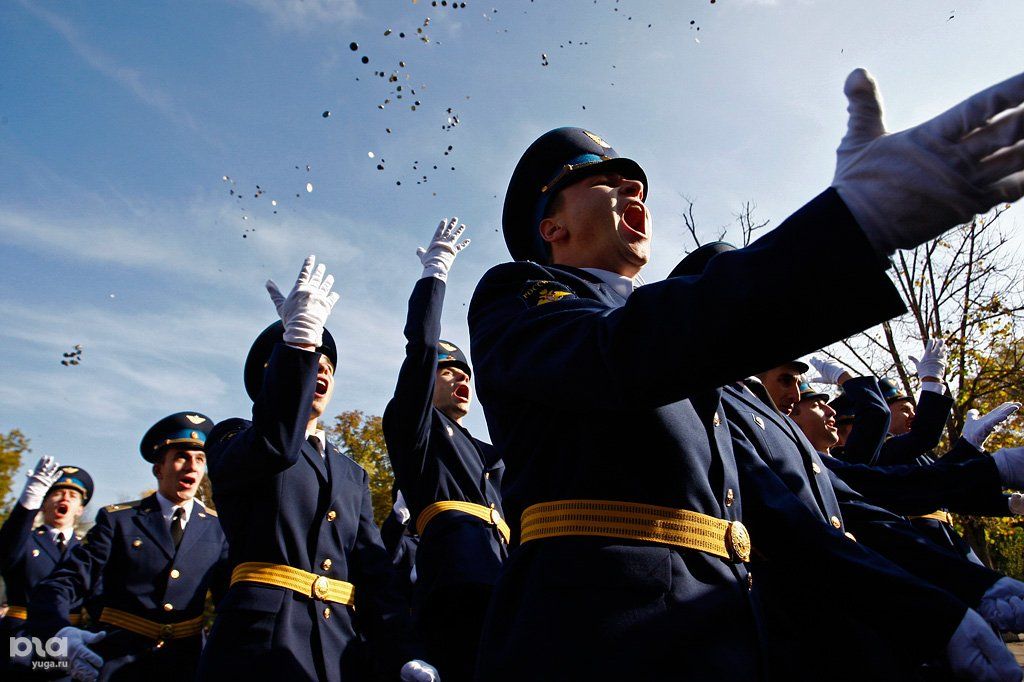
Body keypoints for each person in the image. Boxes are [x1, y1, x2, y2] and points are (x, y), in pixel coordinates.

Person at [469, 63, 1024, 681]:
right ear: (551, 227)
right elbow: (622, 353)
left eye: (635, 182)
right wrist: (855, 222)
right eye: (602, 181)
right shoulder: (518, 295)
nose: (631, 187)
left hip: (725, 643)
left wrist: (947, 603)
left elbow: (802, 517)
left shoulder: (683, 357)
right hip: (597, 646)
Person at [198, 256, 437, 682]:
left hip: (338, 650)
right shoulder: (233, 436)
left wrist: (403, 651)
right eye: (313, 363)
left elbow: (373, 572)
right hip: (260, 644)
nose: (321, 371)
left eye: (328, 368)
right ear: (275, 376)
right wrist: (297, 346)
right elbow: (275, 446)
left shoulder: (351, 473)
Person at [383, 218, 506, 682]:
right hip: (454, 589)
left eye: (466, 373)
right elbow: (420, 350)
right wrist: (434, 279)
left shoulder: (489, 453)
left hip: (507, 586)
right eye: (448, 371)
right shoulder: (417, 430)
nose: (461, 379)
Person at [29, 412, 229, 682]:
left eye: (200, 459)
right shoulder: (118, 520)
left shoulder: (217, 526)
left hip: (188, 664)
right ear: (159, 469)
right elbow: (63, 584)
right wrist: (61, 634)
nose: (192, 467)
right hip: (118, 659)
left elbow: (228, 598)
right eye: (181, 457)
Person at [0, 459, 92, 676]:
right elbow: (5, 552)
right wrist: (28, 502)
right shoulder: (25, 540)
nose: (65, 498)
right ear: (43, 503)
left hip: (72, 637)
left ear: (80, 509)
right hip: (23, 636)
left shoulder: (88, 549)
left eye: (73, 496)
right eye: (57, 494)